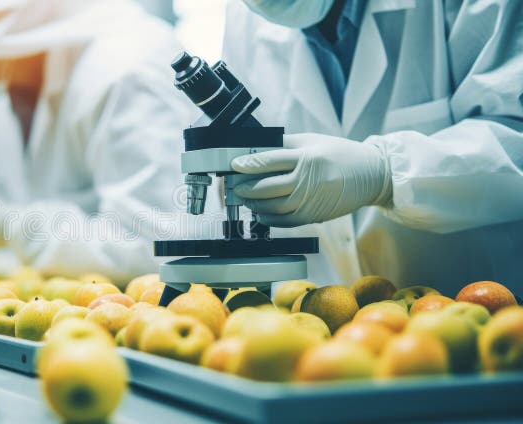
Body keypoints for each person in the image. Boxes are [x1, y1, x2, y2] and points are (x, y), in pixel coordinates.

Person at [0, 0, 205, 283]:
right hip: (51, 319)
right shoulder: (5, 94)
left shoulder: (126, 68)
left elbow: (159, 248)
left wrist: (10, 227)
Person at [223, 0, 523, 294]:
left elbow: (514, 136)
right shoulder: (244, 20)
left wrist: (384, 172)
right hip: (328, 324)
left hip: (478, 308)